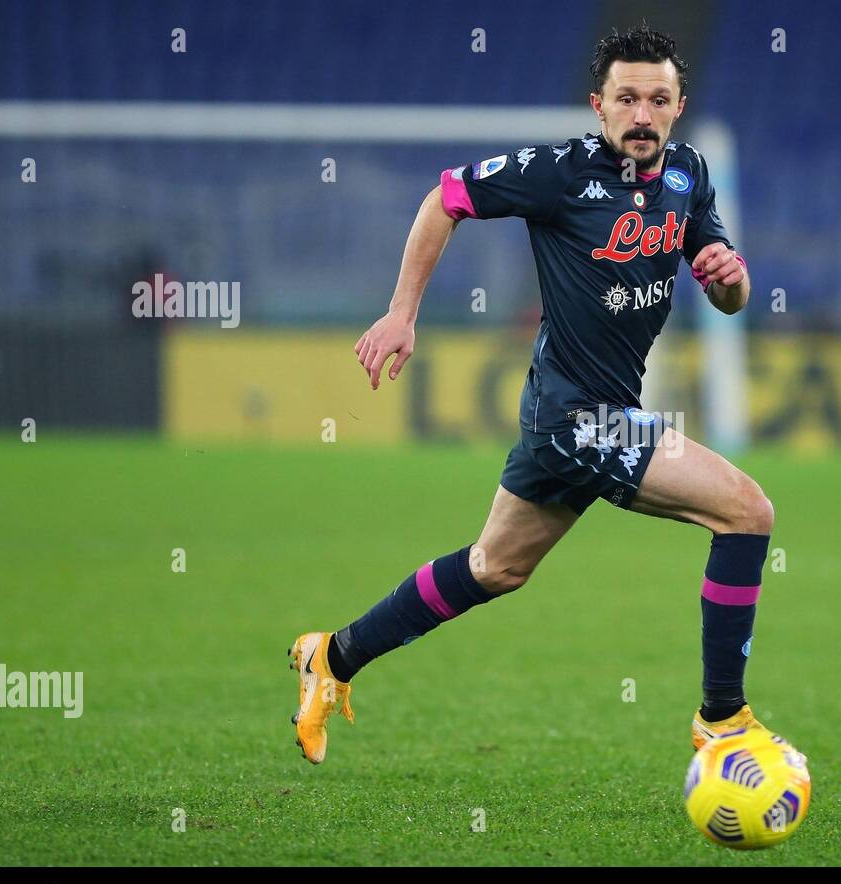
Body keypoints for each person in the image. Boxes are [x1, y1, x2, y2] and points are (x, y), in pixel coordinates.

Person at [290, 24, 776, 764]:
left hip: (596, 411)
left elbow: (731, 296)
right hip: (578, 418)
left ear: (679, 106)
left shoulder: (690, 178)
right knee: (746, 512)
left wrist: (731, 278)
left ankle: (331, 657)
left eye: (657, 99)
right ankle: (723, 717)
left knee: (495, 567)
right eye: (626, 99)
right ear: (599, 105)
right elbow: (445, 197)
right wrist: (402, 310)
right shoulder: (557, 172)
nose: (641, 114)